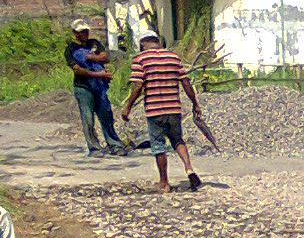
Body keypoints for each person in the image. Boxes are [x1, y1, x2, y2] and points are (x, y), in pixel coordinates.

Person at [120, 31, 203, 192]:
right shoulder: (173, 57)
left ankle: (164, 182)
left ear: (142, 43)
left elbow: (137, 86)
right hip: (174, 108)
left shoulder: (140, 59)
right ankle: (189, 169)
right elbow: (186, 83)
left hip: (155, 110)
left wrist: (128, 106)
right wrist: (195, 104)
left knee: (158, 145)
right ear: (157, 41)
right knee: (177, 140)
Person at [65, 18, 125, 156]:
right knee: (88, 118)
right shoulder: (71, 49)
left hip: (100, 87)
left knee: (106, 115)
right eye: (81, 31)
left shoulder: (94, 43)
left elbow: (106, 57)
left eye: (85, 31)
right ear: (75, 32)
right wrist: (99, 74)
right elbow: (78, 70)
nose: (84, 34)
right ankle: (94, 148)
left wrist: (91, 57)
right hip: (83, 87)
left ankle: (114, 144)